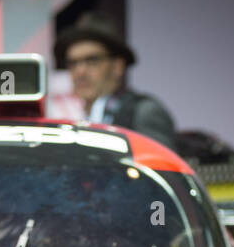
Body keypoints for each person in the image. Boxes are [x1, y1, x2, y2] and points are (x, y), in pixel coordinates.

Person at [53, 13, 176, 149]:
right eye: (73, 63)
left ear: (118, 66)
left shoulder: (143, 112)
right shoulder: (69, 119)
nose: (80, 71)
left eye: (92, 60)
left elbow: (161, 167)